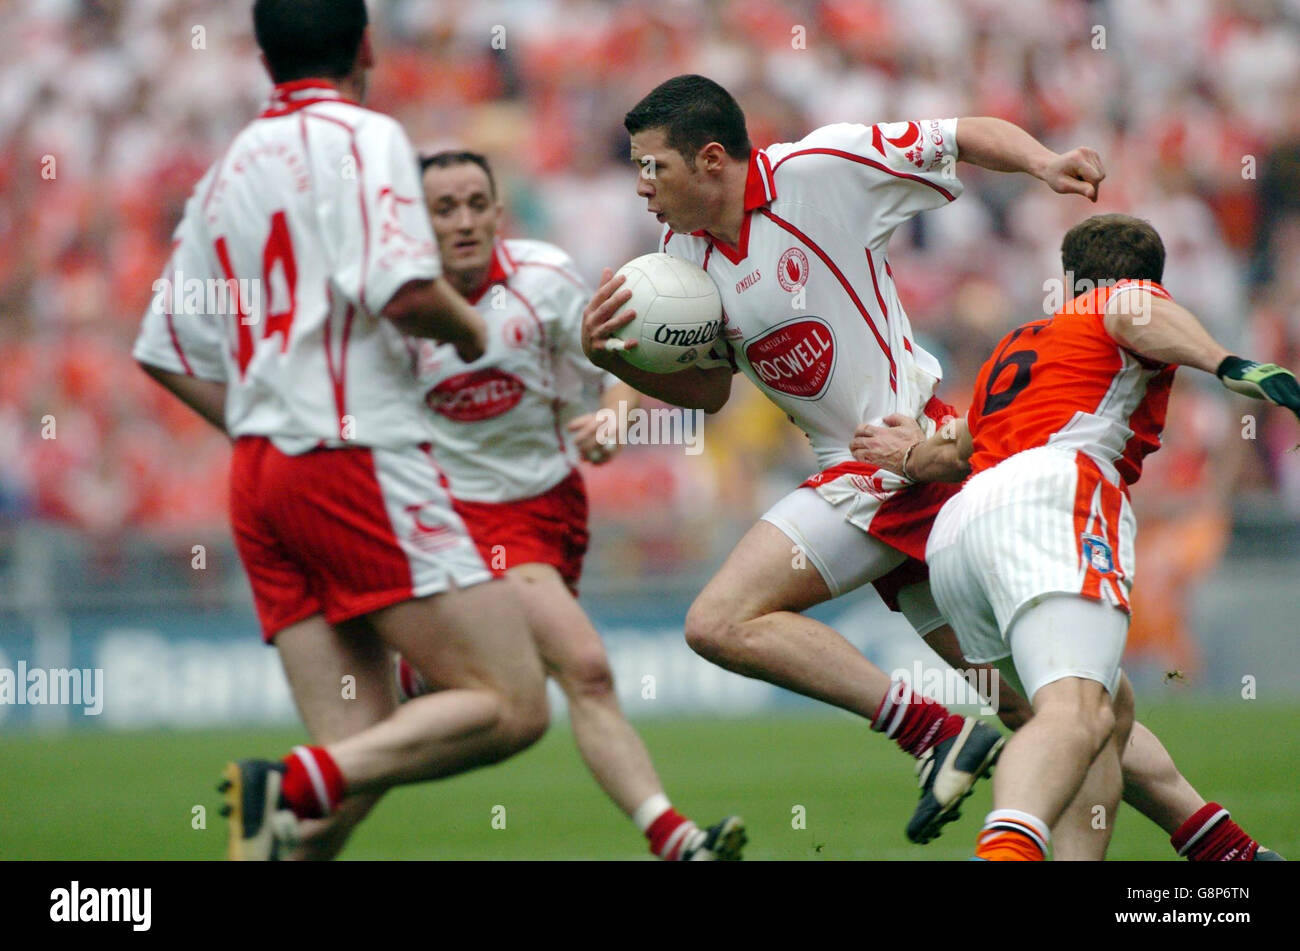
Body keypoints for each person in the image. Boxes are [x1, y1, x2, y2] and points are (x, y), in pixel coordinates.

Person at [580, 73, 1109, 843]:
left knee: (719, 620)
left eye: (652, 166)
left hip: (903, 454)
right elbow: (710, 392)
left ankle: (934, 733)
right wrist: (615, 368)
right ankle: (1221, 843)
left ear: (712, 159)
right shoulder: (681, 255)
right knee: (1041, 708)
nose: (641, 185)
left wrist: (1044, 161)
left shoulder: (819, 170)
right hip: (870, 480)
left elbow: (959, 134)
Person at [134, 0, 550, 860]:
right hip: (349, 456)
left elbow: (163, 349)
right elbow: (406, 290)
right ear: (366, 47)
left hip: (260, 477)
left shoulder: (223, 175)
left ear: (264, 59)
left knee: (358, 760)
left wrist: (263, 428)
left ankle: (297, 797)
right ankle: (286, 781)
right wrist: (474, 331)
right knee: (515, 702)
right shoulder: (367, 137)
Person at [850, 213, 1298, 860]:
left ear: (1065, 279)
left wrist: (908, 453)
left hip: (961, 533)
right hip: (1051, 500)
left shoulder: (1020, 346)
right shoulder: (1118, 303)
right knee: (1075, 712)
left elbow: (953, 454)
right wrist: (1228, 362)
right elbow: (1135, 308)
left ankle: (1226, 853)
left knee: (1101, 716)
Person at [392, 150, 745, 860]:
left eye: (476, 204)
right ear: (418, 223)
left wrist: (614, 417)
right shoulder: (395, 311)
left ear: (499, 212)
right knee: (586, 666)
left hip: (553, 508)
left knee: (505, 697)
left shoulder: (545, 280)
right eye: (444, 208)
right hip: (463, 519)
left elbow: (621, 363)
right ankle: (678, 841)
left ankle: (336, 764)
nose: (464, 221)